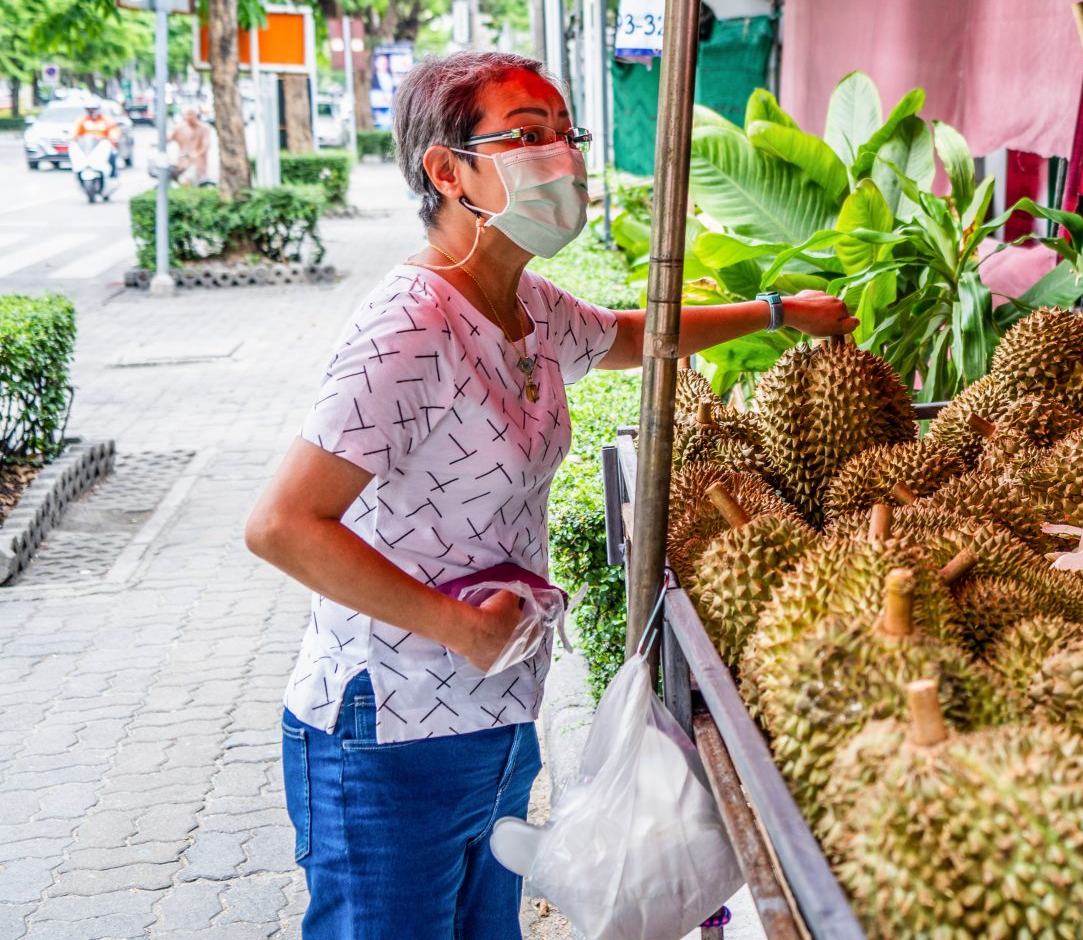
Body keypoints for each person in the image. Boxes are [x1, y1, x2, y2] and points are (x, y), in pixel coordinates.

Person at [245, 51, 857, 939]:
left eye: (566, 133)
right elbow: (282, 526)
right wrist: (456, 625)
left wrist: (779, 313)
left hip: (494, 715)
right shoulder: (407, 324)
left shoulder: (521, 303)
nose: (561, 157)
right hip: (386, 732)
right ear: (448, 171)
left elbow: (630, 335)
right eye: (528, 136)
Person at [71, 99, 122, 176]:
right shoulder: (83, 120)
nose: (91, 111)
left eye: (93, 109)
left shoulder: (106, 120)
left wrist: (113, 137)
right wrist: (72, 138)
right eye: (89, 109)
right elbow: (76, 132)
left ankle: (113, 174)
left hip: (104, 145)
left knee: (113, 154)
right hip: (89, 146)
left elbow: (113, 130)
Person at [168, 107, 211, 185]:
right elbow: (168, 139)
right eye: (187, 115)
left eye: (191, 115)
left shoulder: (204, 128)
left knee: (197, 182)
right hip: (182, 162)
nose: (189, 118)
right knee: (182, 182)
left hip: (198, 162)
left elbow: (206, 145)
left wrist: (197, 153)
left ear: (196, 116)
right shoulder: (178, 128)